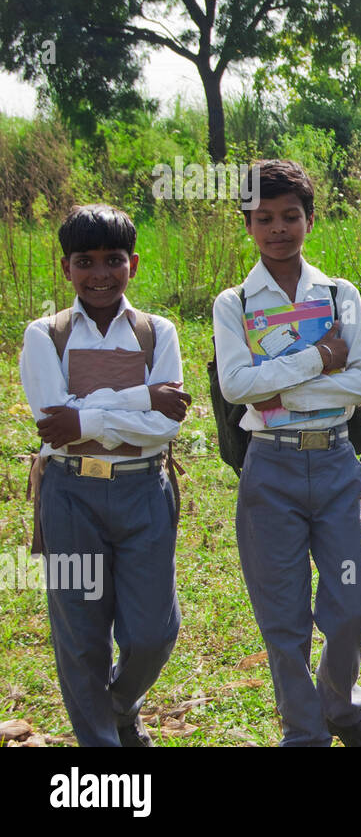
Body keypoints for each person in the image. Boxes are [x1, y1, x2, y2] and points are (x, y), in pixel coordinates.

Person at [213, 159, 361, 747]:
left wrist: (279, 383)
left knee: (353, 602)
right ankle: (303, 731)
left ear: (310, 219)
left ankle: (340, 706)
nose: (278, 228)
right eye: (263, 218)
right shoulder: (234, 303)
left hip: (336, 462)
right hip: (271, 468)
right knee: (282, 617)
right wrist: (319, 358)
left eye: (290, 216)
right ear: (248, 225)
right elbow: (236, 386)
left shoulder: (339, 294)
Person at [20, 204, 190, 746]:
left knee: (153, 633)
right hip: (70, 493)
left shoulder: (156, 332)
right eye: (85, 260)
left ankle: (117, 704)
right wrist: (142, 398)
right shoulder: (45, 335)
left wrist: (86, 413)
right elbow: (54, 429)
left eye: (113, 259)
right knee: (81, 636)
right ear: (65, 267)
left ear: (133, 264)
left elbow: (164, 428)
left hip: (144, 488)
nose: (100, 273)